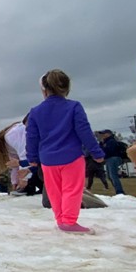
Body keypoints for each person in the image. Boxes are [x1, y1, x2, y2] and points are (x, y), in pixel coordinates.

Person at [26, 69, 105, 234]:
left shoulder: (35, 111)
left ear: (44, 89)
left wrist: (32, 157)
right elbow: (84, 131)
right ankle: (69, 221)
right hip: (72, 157)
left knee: (54, 191)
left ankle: (60, 219)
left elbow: (32, 137)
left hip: (47, 159)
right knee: (72, 189)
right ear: (67, 88)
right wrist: (96, 153)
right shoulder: (74, 106)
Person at [97, 130, 127, 195]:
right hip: (108, 159)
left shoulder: (111, 141)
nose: (102, 135)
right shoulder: (104, 142)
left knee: (113, 175)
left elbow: (108, 151)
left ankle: (120, 191)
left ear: (108, 134)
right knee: (110, 176)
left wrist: (102, 146)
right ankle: (118, 190)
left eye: (103, 133)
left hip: (113, 158)